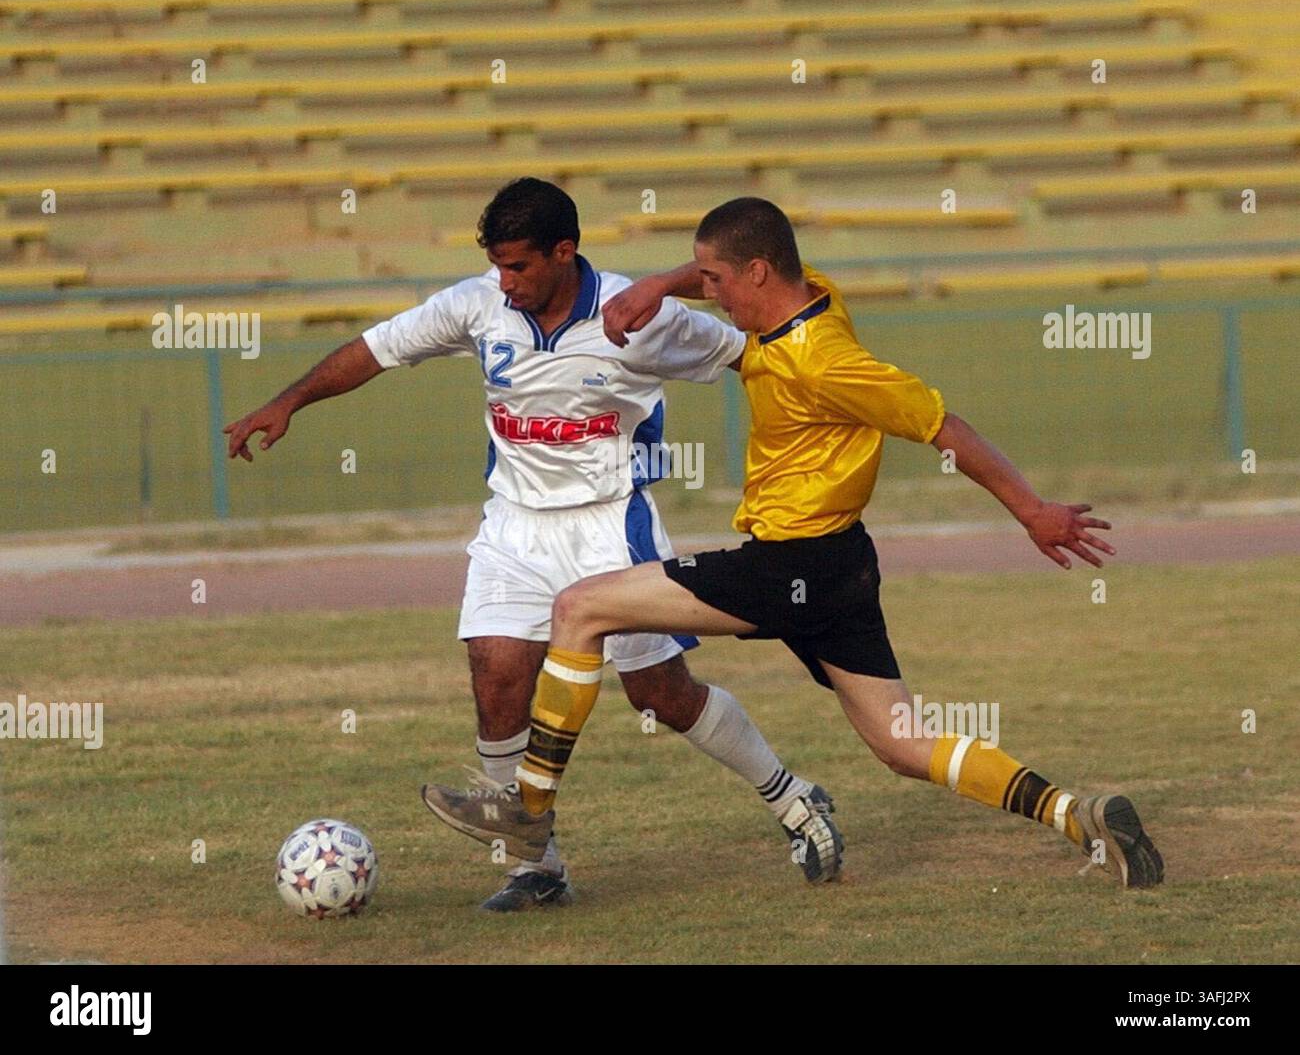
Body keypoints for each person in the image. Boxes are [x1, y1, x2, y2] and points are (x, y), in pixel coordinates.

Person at [424, 196, 1165, 891]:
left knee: (580, 607)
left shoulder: (827, 360)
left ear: (756, 274)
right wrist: (660, 283)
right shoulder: (809, 297)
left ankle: (527, 808)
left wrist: (1031, 509)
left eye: (714, 281)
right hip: (845, 566)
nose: (709, 295)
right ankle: (1080, 816)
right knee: (904, 744)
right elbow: (730, 259)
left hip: (788, 566)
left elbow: (945, 427)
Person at [224, 180, 843, 912]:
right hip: (514, 524)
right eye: (496, 265)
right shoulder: (480, 304)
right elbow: (377, 348)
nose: (505, 281)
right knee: (496, 672)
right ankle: (535, 864)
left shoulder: (641, 319)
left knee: (660, 695)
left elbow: (760, 354)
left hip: (611, 525)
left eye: (518, 266)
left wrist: (811, 450)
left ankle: (795, 798)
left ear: (564, 252)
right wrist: (289, 398)